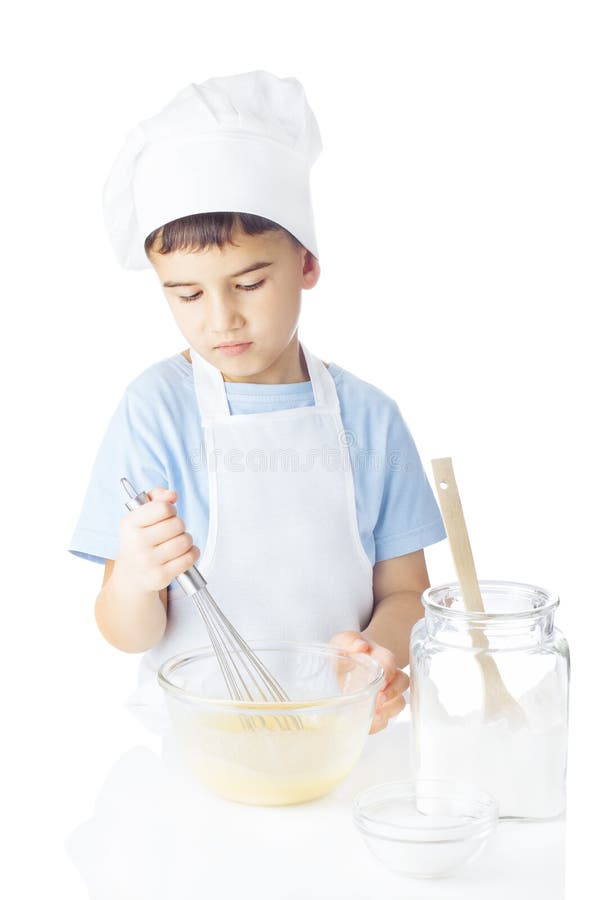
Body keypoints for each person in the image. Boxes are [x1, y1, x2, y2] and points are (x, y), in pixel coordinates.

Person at [68, 70, 446, 736]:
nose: (222, 320)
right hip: (195, 747)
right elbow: (126, 631)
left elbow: (405, 593)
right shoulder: (156, 410)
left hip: (335, 736)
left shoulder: (370, 419)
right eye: (186, 295)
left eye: (249, 282)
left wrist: (377, 656)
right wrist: (133, 577)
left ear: (306, 263)